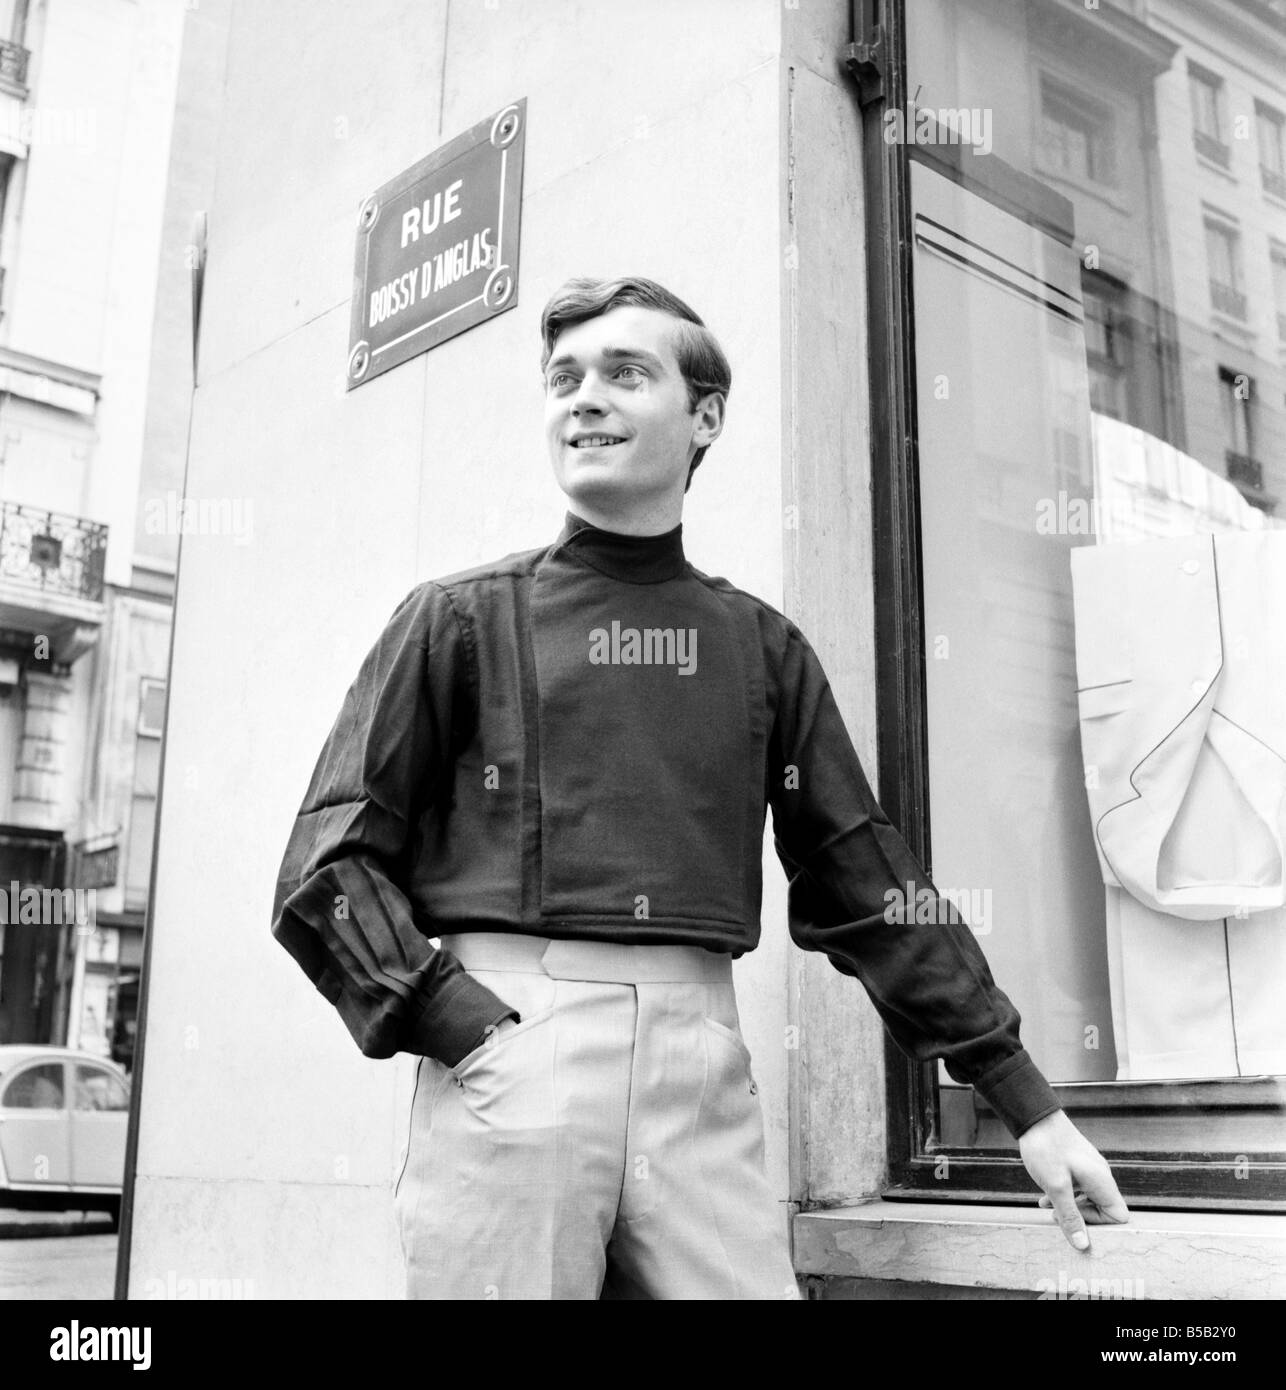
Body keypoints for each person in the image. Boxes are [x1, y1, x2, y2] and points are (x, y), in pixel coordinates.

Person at [271, 274, 1128, 1300]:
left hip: (700, 1066)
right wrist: (462, 1027)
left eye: (624, 373)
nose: (581, 398)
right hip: (509, 1054)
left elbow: (861, 874)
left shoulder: (760, 648)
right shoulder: (454, 620)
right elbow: (327, 864)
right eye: (563, 379)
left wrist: (1023, 1098)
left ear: (704, 415)